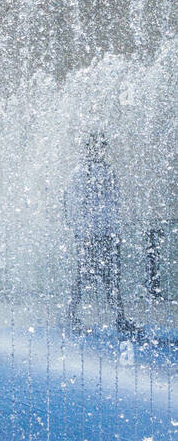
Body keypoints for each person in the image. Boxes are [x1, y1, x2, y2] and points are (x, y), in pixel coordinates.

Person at [64, 132, 134, 335]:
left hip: (106, 232)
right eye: (95, 147)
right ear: (88, 149)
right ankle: (72, 317)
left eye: (101, 147)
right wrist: (81, 233)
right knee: (86, 276)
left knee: (109, 277)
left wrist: (115, 231)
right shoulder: (80, 173)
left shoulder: (106, 170)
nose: (99, 151)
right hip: (92, 234)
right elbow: (74, 204)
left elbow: (113, 204)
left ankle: (119, 319)